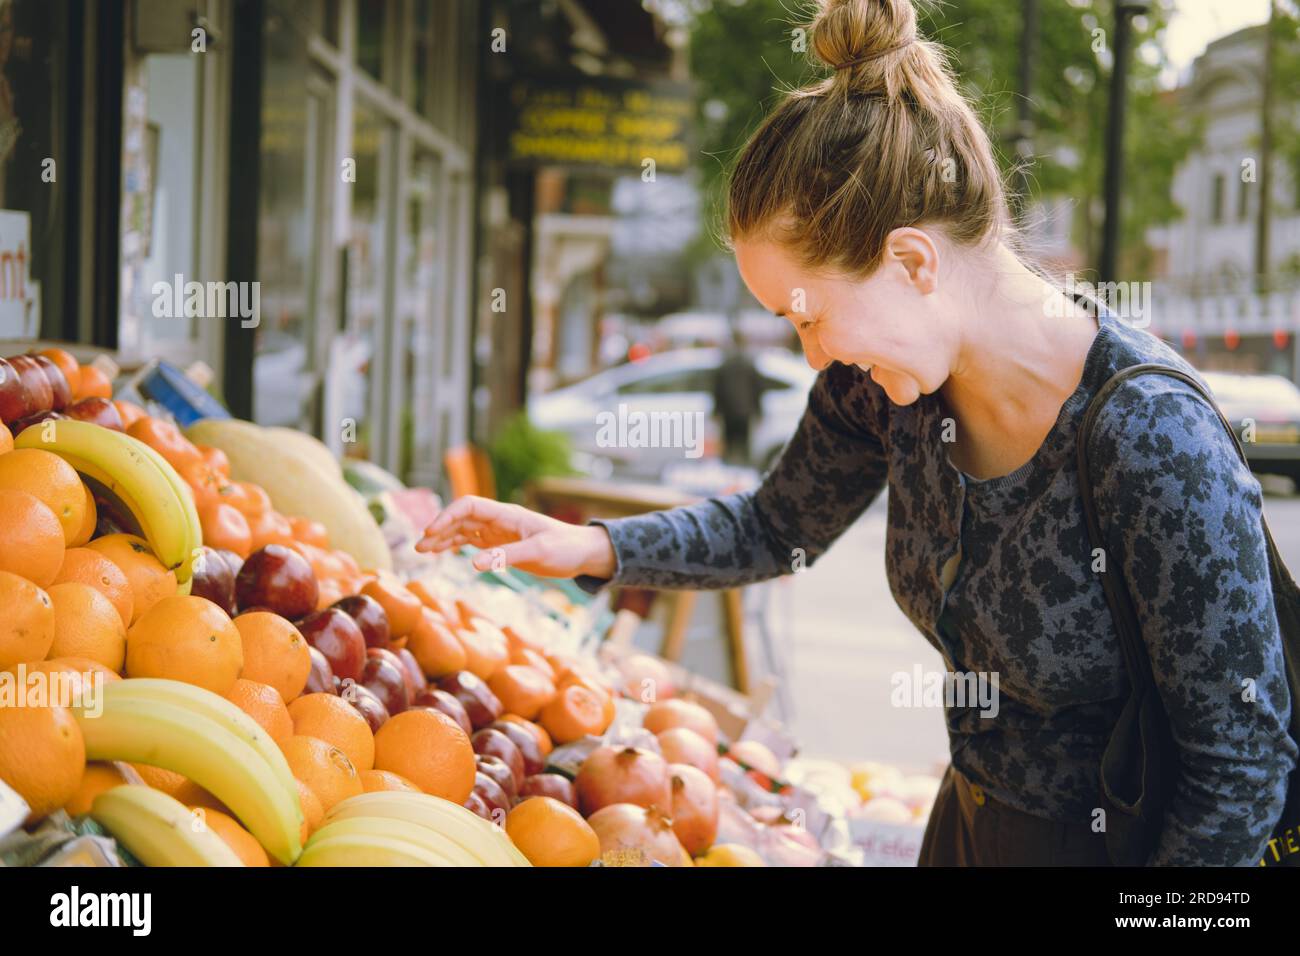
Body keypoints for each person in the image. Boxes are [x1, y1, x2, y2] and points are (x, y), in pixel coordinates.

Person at [419, 0, 1295, 866]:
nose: (811, 356)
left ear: (913, 262)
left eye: (809, 317)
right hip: (962, 823)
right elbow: (773, 527)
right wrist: (583, 546)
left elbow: (1240, 766)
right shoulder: (882, 390)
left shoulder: (1152, 437)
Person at [711, 326, 763, 466]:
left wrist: (716, 411)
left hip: (729, 411)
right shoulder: (748, 362)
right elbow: (758, 389)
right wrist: (758, 410)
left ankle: (730, 472)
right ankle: (742, 472)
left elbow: (717, 390)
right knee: (743, 446)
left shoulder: (725, 363)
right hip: (745, 411)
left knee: (729, 445)